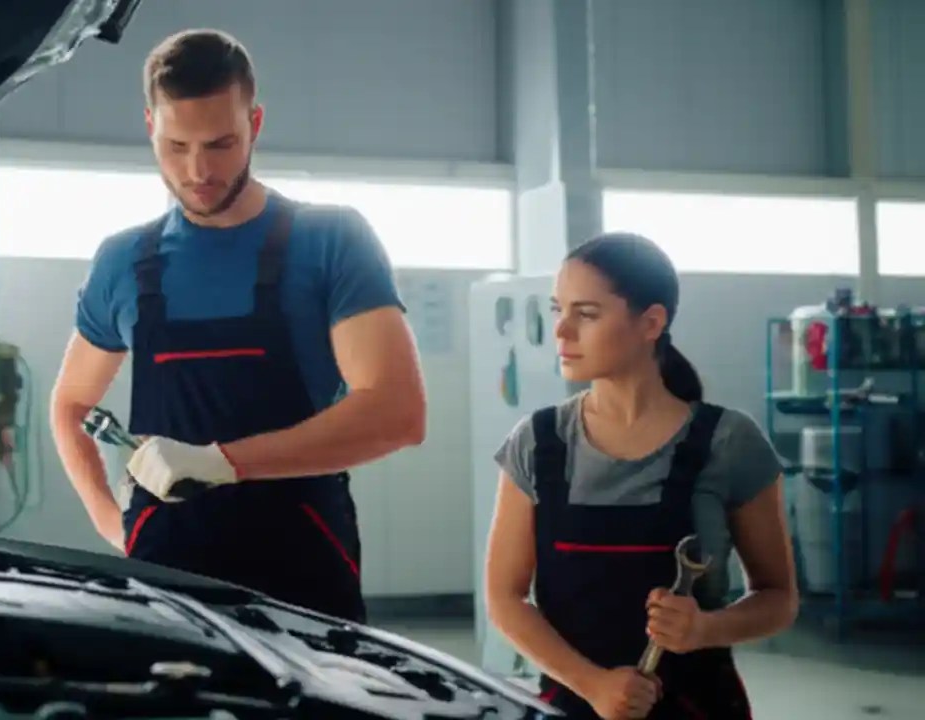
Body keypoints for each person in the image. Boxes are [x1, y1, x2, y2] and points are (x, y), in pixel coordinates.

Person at [49, 29, 426, 624]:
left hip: (303, 572)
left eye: (221, 143)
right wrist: (112, 519)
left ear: (255, 121)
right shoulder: (124, 260)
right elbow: (70, 404)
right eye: (176, 145)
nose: (199, 170)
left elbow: (398, 412)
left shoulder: (330, 241)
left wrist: (223, 461)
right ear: (150, 124)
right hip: (163, 575)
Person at [484, 233, 799, 719]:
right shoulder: (538, 442)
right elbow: (505, 598)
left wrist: (704, 630)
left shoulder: (728, 442)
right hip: (572, 704)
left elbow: (778, 598)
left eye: (586, 314)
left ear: (651, 322)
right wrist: (593, 685)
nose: (562, 332)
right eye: (557, 310)